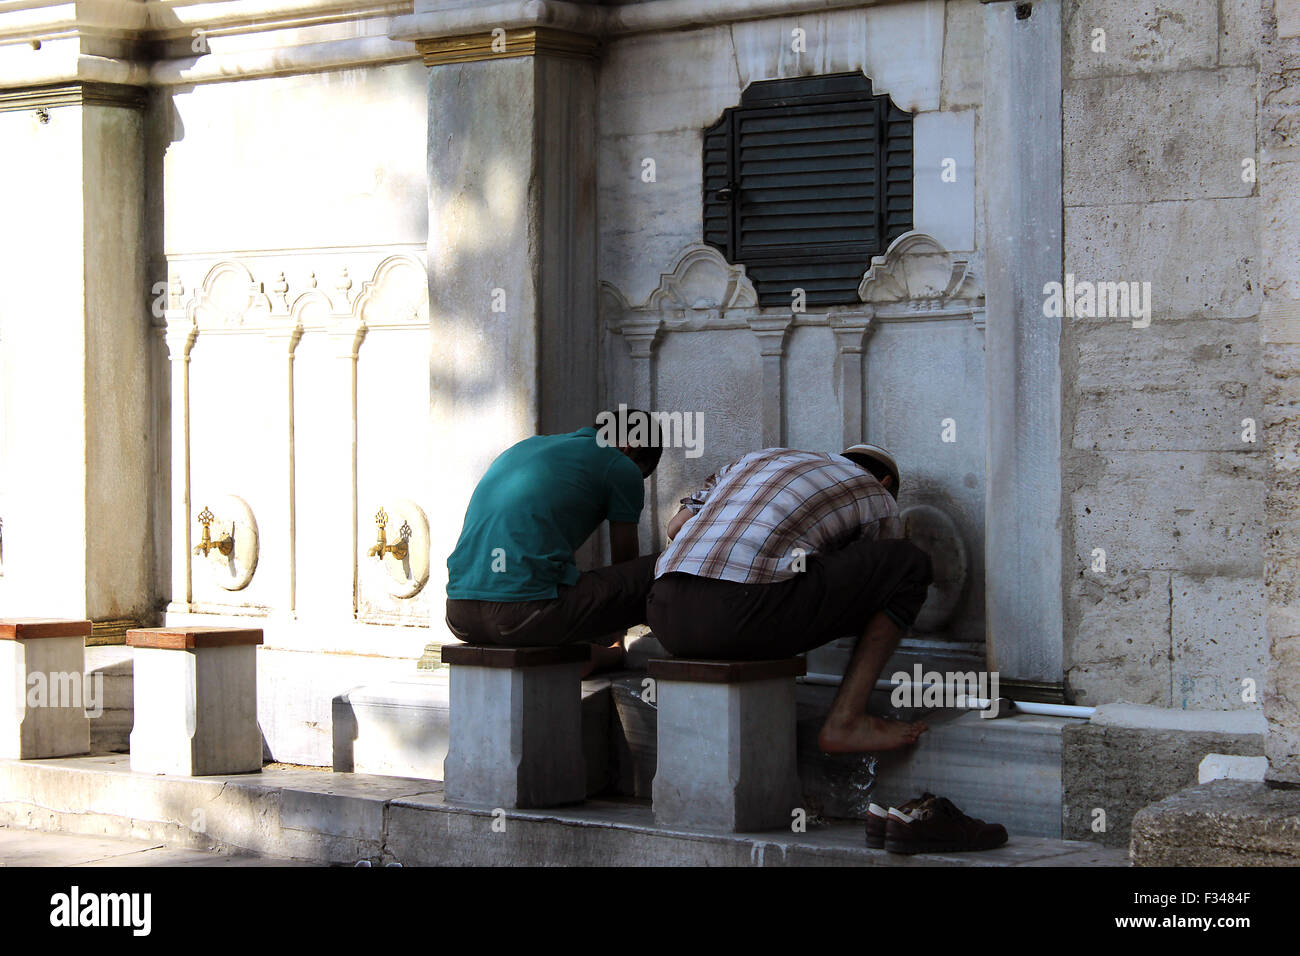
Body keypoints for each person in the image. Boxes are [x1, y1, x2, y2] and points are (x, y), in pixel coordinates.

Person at [646, 442, 934, 753]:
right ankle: (846, 721)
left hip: (664, 616)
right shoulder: (874, 491)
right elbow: (878, 588)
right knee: (907, 564)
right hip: (743, 618)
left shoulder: (761, 459)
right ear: (886, 483)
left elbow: (676, 526)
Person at [445, 410, 662, 672]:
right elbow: (625, 563)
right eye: (640, 474)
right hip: (524, 616)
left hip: (459, 616)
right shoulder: (620, 465)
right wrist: (618, 638)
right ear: (630, 448)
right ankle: (608, 655)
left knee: (564, 582)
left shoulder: (525, 447)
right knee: (662, 567)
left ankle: (581, 648)